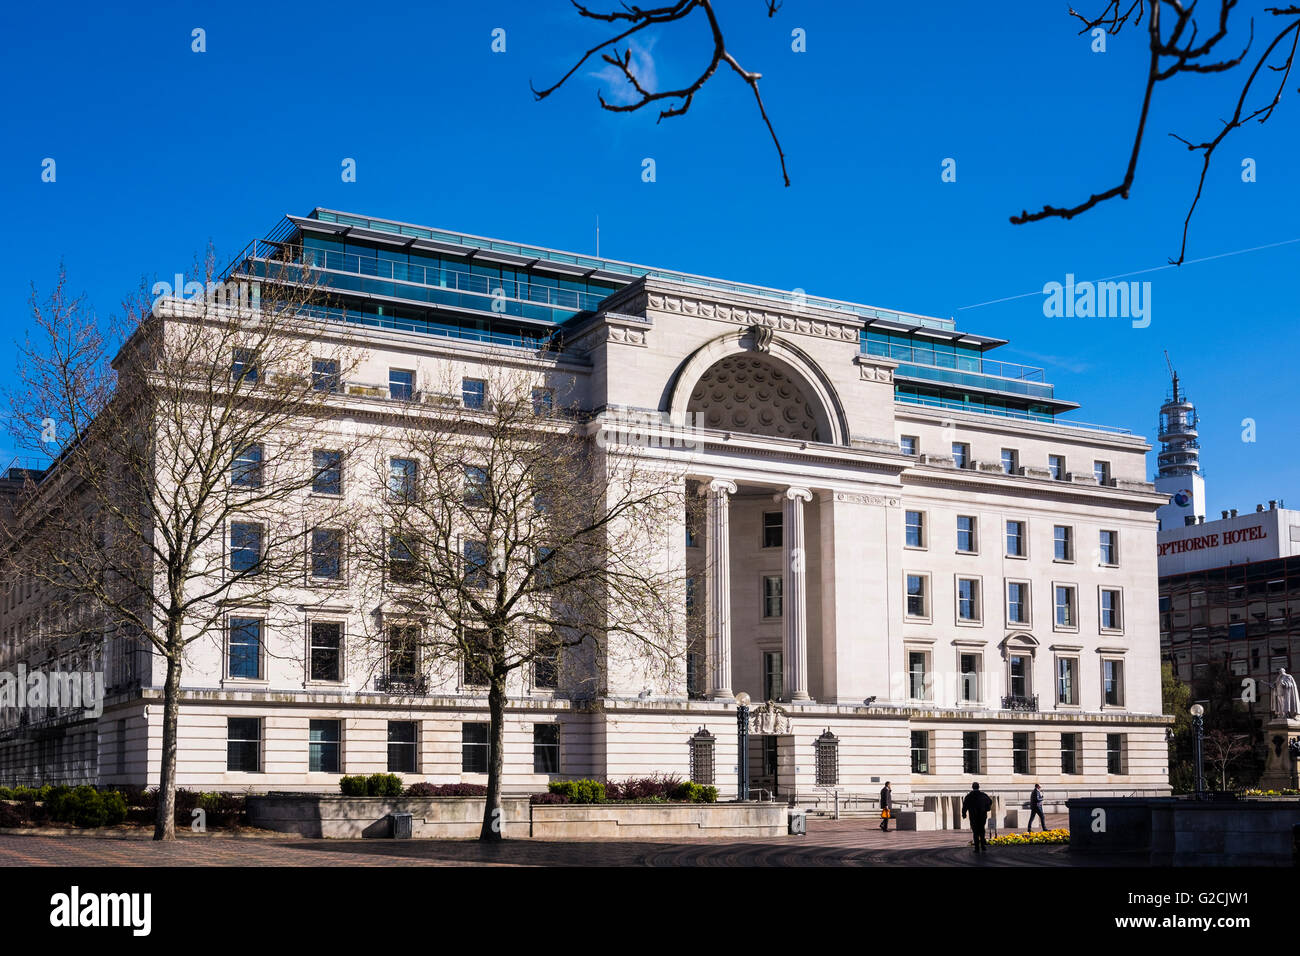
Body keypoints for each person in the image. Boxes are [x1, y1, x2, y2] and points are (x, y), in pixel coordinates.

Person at [962, 781, 993, 853]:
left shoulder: (969, 796)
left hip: (973, 816)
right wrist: (986, 808)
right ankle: (983, 846)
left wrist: (964, 814)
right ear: (978, 787)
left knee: (975, 832)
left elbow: (965, 806)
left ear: (972, 787)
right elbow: (990, 801)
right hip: (982, 816)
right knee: (982, 830)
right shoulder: (983, 795)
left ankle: (977, 848)